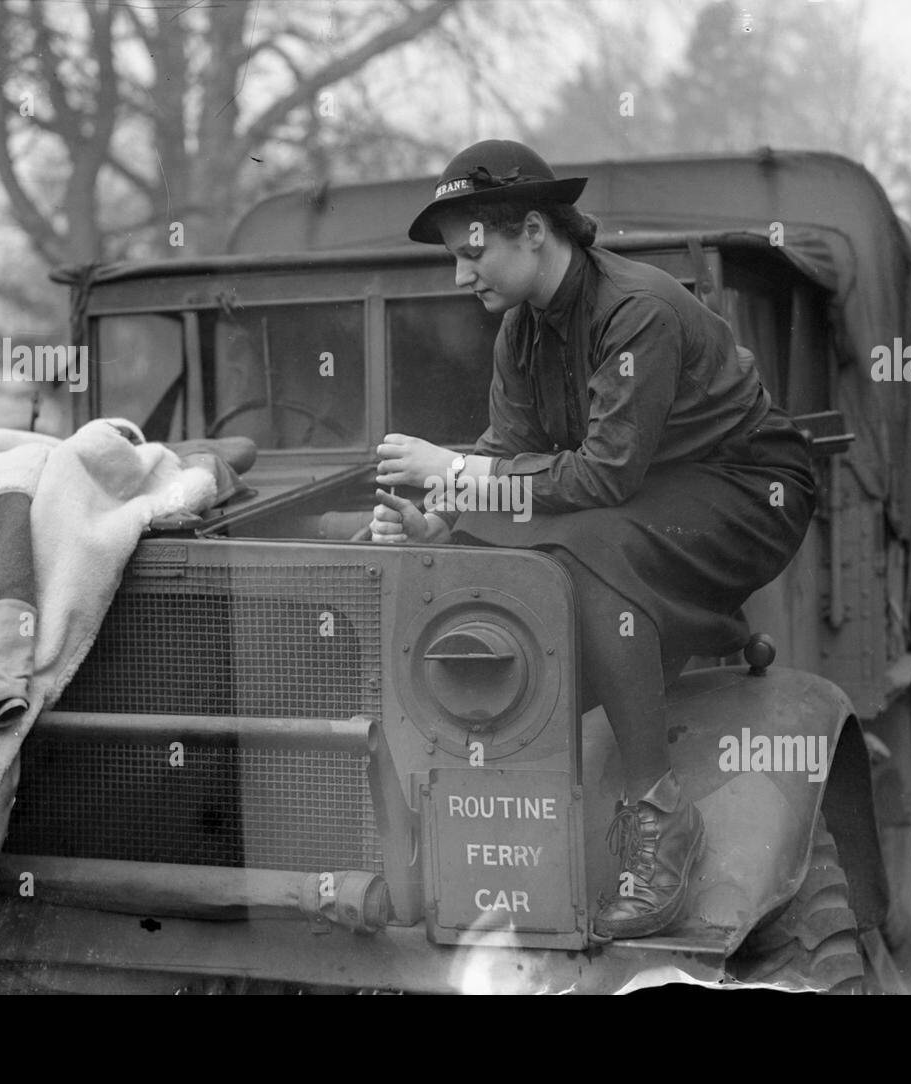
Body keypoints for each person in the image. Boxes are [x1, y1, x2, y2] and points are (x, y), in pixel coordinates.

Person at [371, 139, 816, 940]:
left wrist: (459, 470)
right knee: (523, 554)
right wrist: (445, 512)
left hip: (750, 489)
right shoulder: (521, 331)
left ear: (534, 230)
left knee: (586, 544)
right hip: (651, 491)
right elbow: (512, 459)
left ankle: (659, 816)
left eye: (471, 251)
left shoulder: (634, 307)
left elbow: (602, 478)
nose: (460, 275)